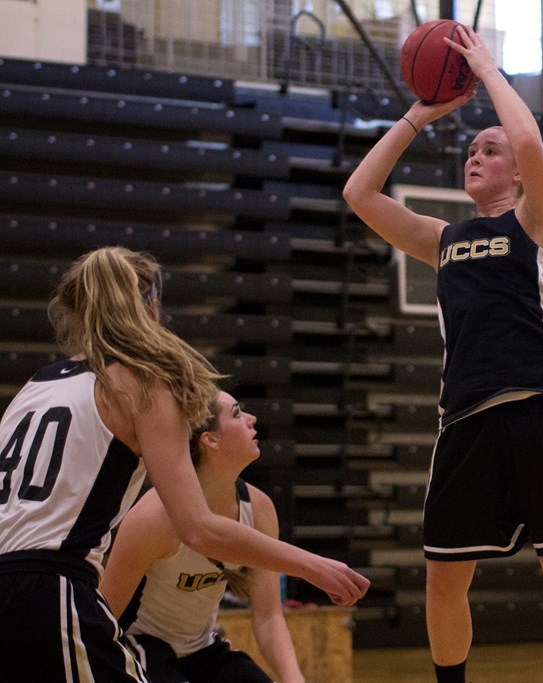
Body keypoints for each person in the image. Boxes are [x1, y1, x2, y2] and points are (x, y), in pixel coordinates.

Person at [342, 25, 543, 683]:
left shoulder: (536, 218)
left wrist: (489, 72)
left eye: (488, 149)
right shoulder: (445, 238)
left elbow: (527, 140)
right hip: (467, 418)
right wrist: (419, 113)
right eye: (470, 148)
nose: (476, 153)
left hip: (542, 404)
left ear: (520, 177)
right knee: (442, 579)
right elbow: (360, 194)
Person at [0, 247, 369, 682]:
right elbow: (199, 527)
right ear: (150, 306)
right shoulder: (142, 381)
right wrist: (314, 565)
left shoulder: (36, 384)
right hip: (50, 588)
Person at [100, 391, 304, 683]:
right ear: (210, 439)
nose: (251, 419)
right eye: (236, 413)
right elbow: (104, 619)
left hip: (202, 650)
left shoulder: (258, 509)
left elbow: (269, 616)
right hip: (140, 647)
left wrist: (293, 678)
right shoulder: (153, 517)